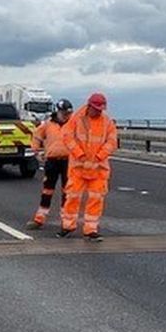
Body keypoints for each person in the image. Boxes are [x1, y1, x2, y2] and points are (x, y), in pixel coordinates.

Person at [60, 93, 117, 241]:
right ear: (89, 106)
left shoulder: (107, 122)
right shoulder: (77, 119)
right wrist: (79, 154)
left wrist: (99, 156)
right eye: (96, 109)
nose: (98, 112)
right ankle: (68, 226)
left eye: (100, 109)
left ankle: (91, 229)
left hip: (98, 169)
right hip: (79, 168)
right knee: (72, 197)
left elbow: (112, 142)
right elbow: (67, 136)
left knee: (96, 199)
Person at [26, 99, 74, 231]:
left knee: (68, 192)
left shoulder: (74, 124)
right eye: (64, 113)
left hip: (69, 161)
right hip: (52, 161)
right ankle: (39, 219)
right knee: (47, 191)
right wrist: (36, 151)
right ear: (58, 112)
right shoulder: (48, 124)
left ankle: (66, 222)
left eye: (68, 113)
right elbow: (36, 136)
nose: (66, 116)